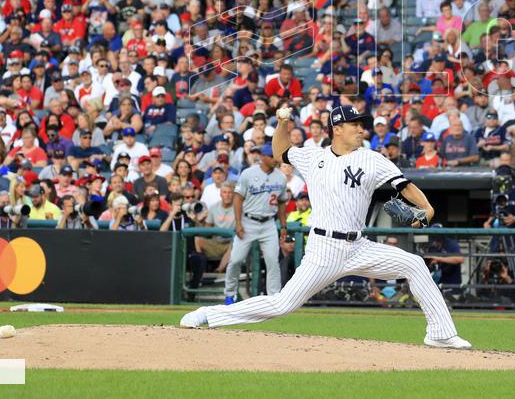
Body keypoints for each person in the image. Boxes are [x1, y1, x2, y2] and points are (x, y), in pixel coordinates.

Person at [180, 105, 471, 349]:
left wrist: (428, 208)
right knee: (283, 304)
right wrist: (282, 122)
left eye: (362, 125)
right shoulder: (312, 156)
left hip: (359, 246)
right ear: (337, 128)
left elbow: (404, 186)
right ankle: (209, 314)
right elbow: (281, 150)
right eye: (355, 124)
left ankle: (440, 333)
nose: (361, 129)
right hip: (323, 249)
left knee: (414, 264)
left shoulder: (372, 159)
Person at [222, 146, 288, 304]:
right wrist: (238, 223)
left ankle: (274, 299)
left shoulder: (281, 177)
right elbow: (238, 199)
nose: (275, 159)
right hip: (248, 221)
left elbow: (281, 203)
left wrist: (284, 226)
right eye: (271, 156)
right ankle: (230, 294)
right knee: (236, 260)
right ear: (262, 157)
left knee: (272, 261)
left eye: (275, 156)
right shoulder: (248, 174)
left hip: (269, 224)